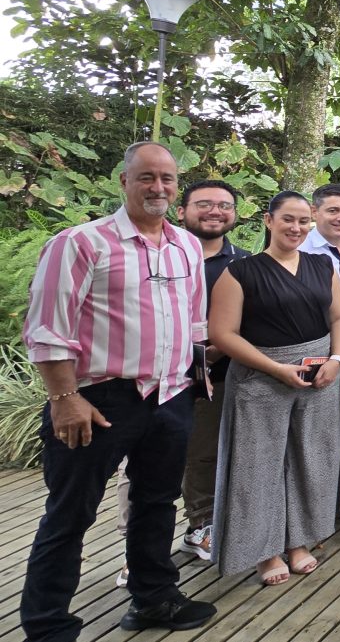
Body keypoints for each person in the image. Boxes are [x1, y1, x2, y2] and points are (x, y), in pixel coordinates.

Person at [21, 141, 217, 638]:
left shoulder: (186, 245)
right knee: (69, 513)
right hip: (99, 399)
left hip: (170, 396)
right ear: (124, 181)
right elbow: (47, 328)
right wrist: (65, 399)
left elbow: (195, 322)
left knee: (157, 501)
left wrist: (196, 381)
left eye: (167, 179)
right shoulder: (82, 243)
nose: (158, 187)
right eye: (147, 177)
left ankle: (154, 600)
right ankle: (47, 626)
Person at [209, 190, 340, 586]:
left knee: (311, 458)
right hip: (260, 378)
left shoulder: (323, 266)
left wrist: (336, 360)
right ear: (269, 221)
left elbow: (339, 316)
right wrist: (274, 368)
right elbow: (222, 333)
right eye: (288, 219)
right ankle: (264, 550)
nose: (297, 228)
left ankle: (300, 540)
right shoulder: (240, 272)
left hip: (319, 375)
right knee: (259, 465)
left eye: (304, 220)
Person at [176, 180, 251, 564]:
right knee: (151, 462)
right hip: (156, 374)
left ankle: (203, 524)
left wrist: (215, 351)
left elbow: (251, 320)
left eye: (224, 205)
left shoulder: (244, 263)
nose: (215, 211)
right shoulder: (163, 255)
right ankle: (136, 546)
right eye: (204, 204)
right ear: (182, 210)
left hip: (222, 372)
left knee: (209, 452)